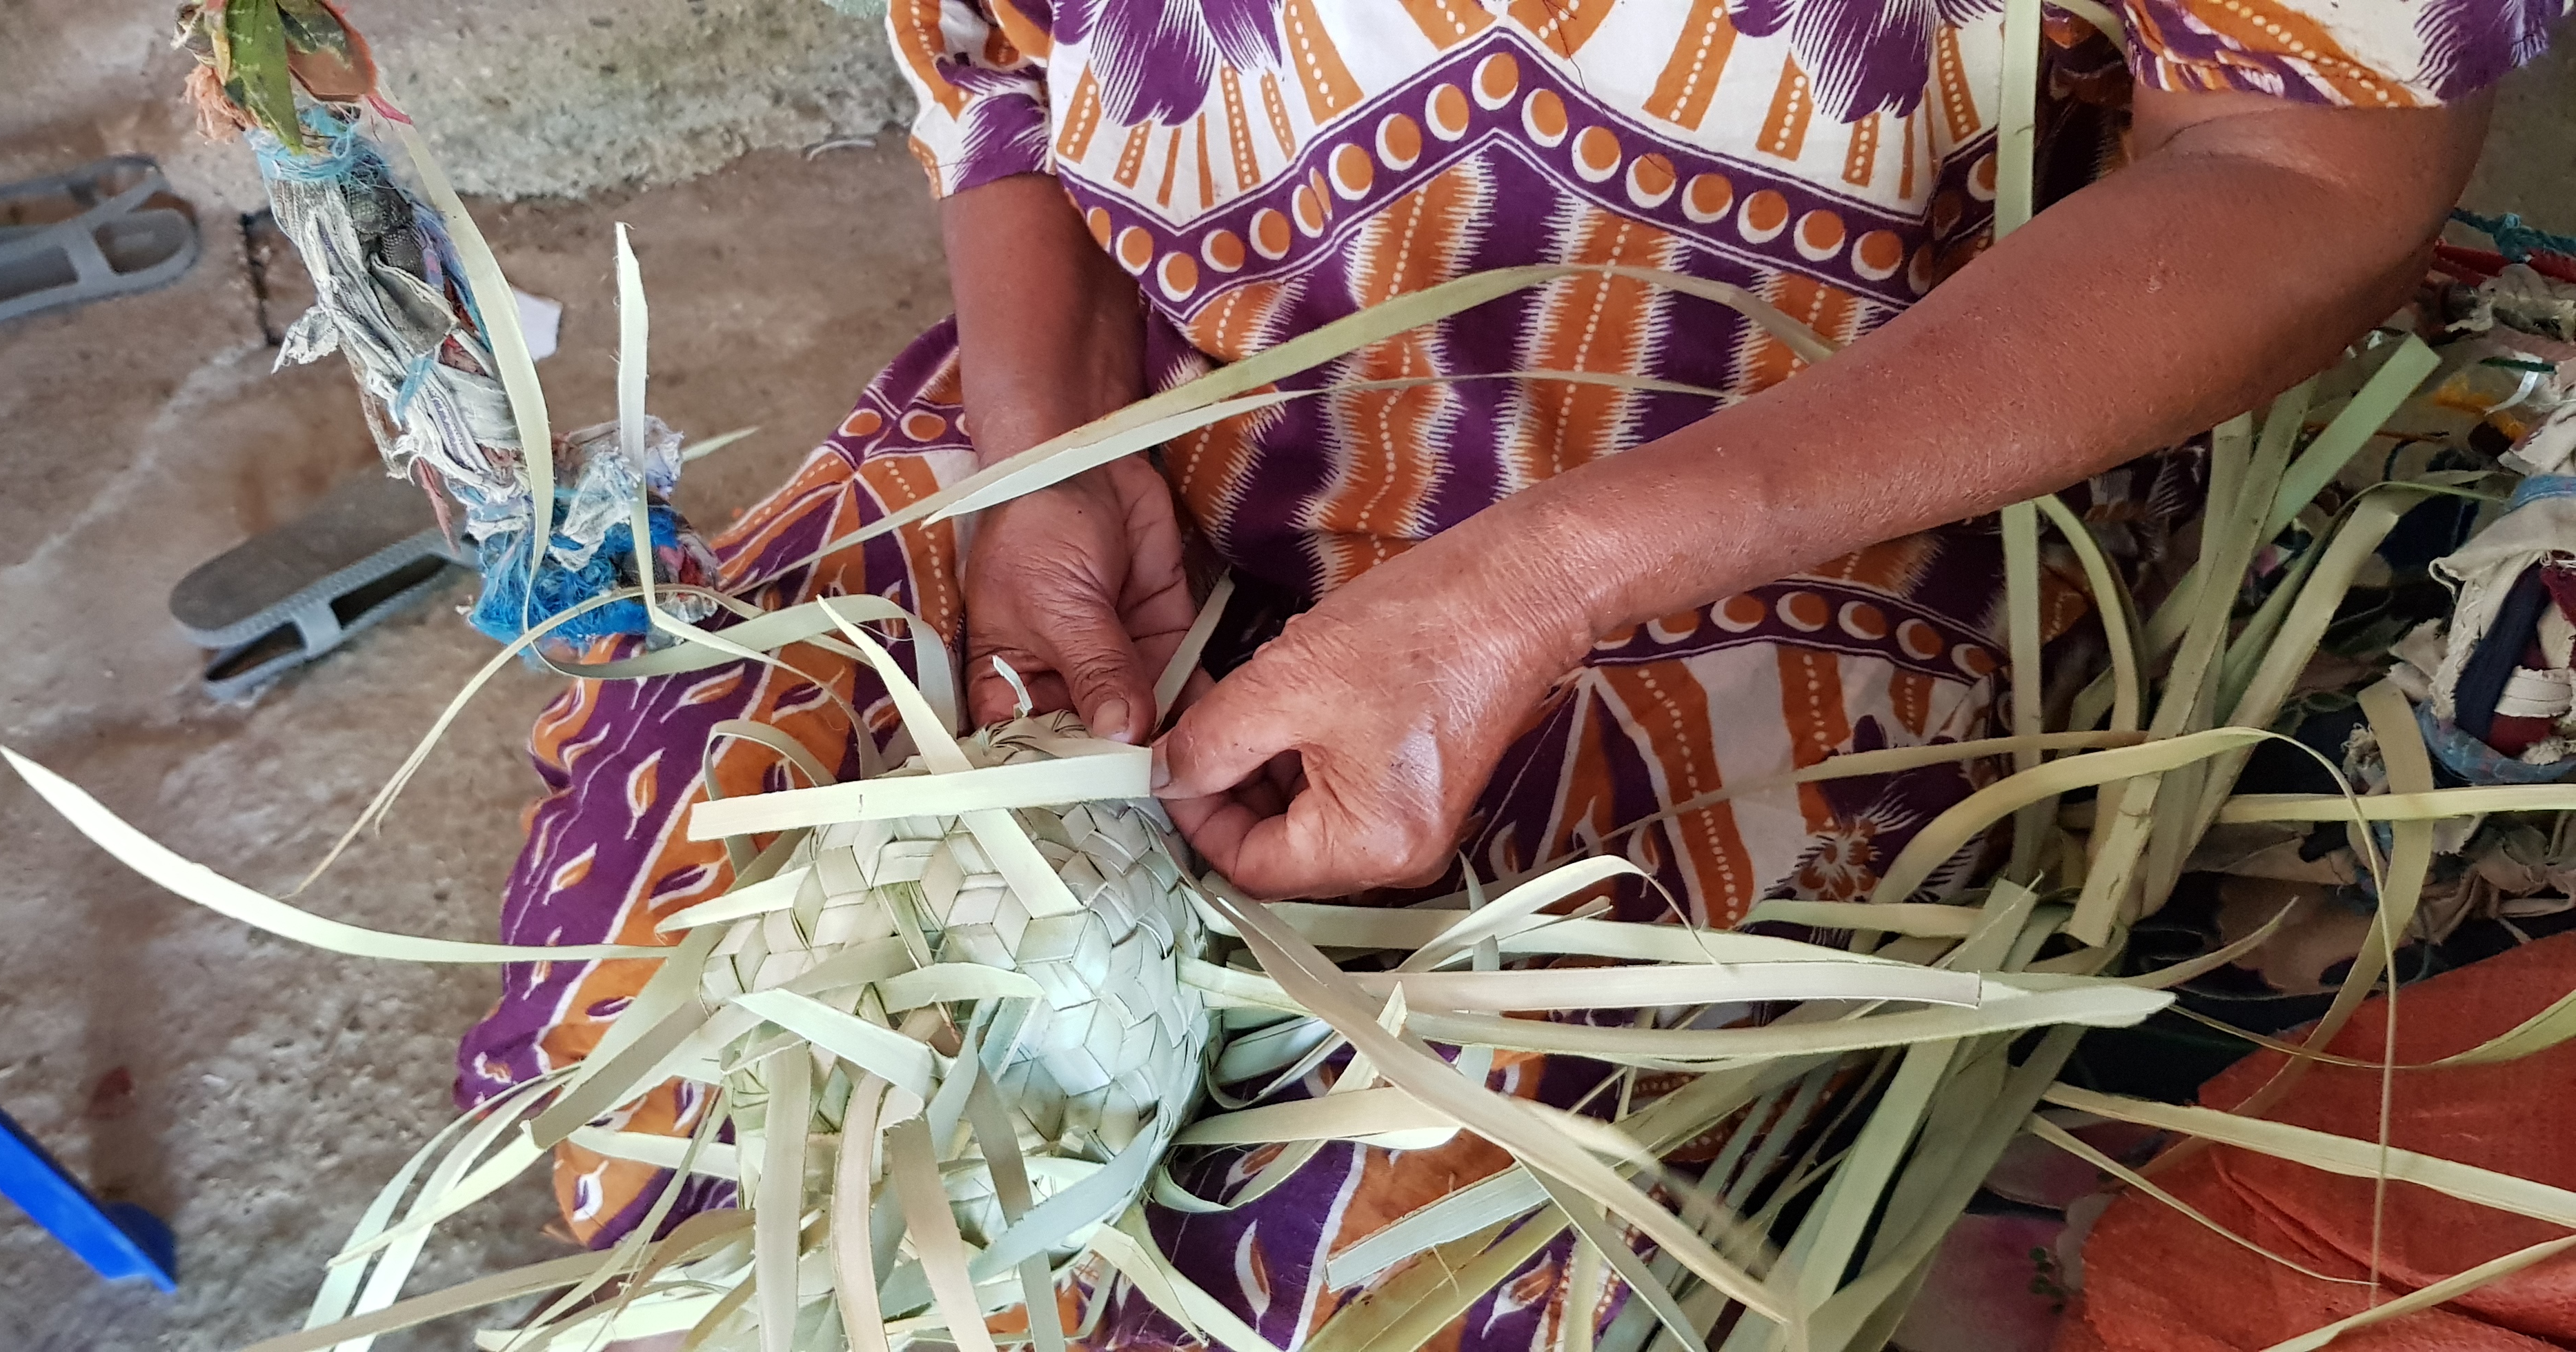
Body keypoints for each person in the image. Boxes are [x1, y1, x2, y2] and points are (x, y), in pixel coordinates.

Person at [456, 0, 2566, 1345]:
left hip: (1821, 451)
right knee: (680, 1078)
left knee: (1395, 1241)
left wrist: (1541, 585)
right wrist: (1041, 455)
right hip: (1170, 362)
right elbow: (1003, 76)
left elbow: (2303, 170)